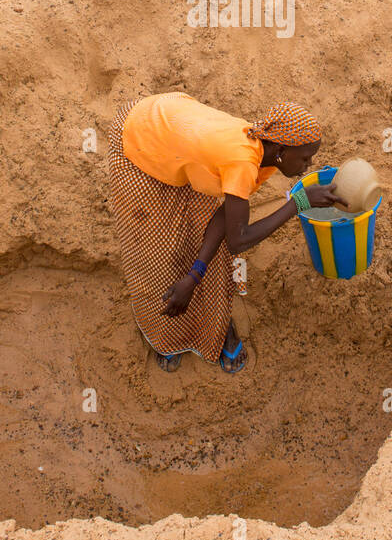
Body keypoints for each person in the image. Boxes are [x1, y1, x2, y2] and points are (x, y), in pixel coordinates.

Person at [108, 92, 343, 373]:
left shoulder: (263, 150)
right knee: (159, 257)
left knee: (203, 238)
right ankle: (168, 338)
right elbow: (239, 240)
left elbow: (223, 218)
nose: (309, 166)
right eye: (305, 159)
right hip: (138, 142)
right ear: (281, 151)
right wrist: (299, 203)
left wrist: (195, 274)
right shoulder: (242, 161)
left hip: (172, 131)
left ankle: (219, 328)